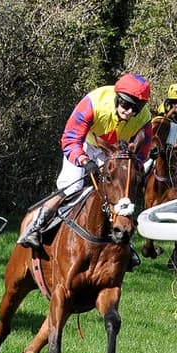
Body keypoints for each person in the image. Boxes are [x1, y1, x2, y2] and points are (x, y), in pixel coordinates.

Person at [16, 72, 153, 249]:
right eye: (126, 105)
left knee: (120, 191)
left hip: (114, 152)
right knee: (73, 186)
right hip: (84, 145)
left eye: (136, 108)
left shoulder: (144, 120)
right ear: (117, 97)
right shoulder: (93, 102)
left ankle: (125, 242)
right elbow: (70, 139)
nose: (129, 112)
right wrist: (84, 160)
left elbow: (141, 154)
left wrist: (133, 169)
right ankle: (36, 226)